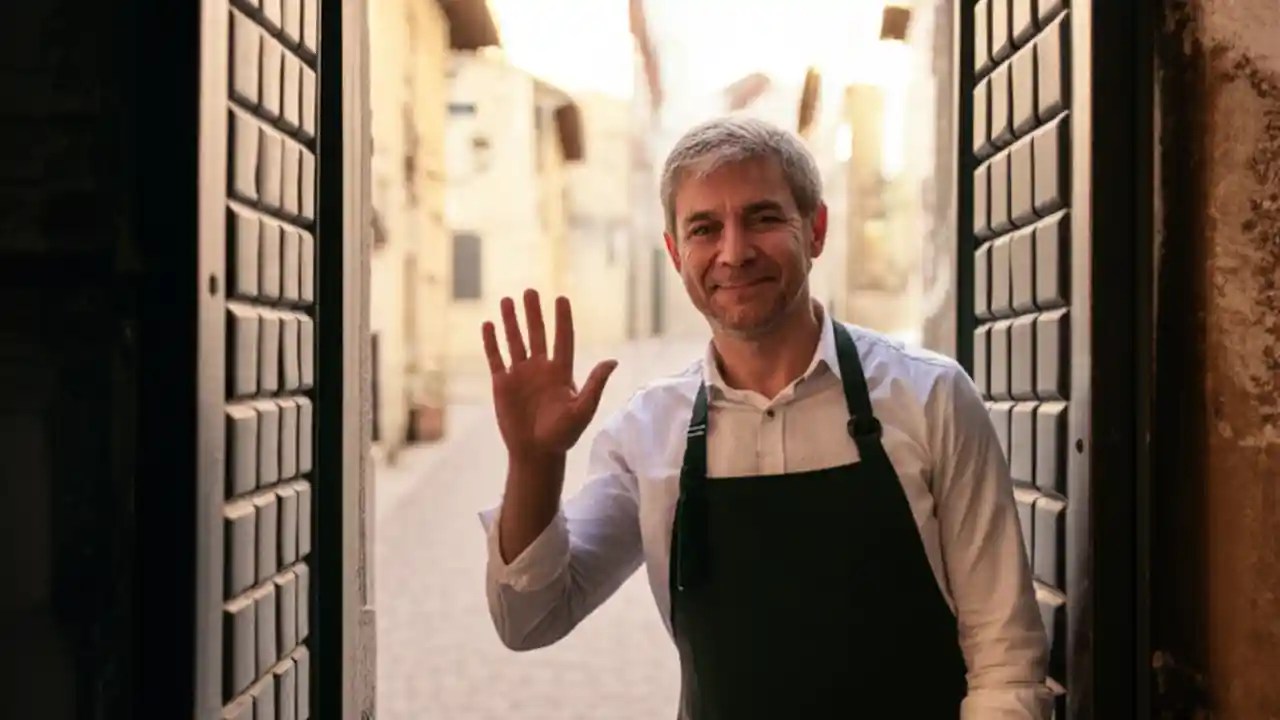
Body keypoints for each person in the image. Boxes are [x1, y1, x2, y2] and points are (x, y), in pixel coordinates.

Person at [477, 116, 1051, 718]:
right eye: (704, 228)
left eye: (763, 217)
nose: (734, 251)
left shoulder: (929, 397)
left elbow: (1005, 661)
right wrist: (534, 464)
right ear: (675, 253)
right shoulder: (649, 433)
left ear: (816, 228)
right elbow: (531, 619)